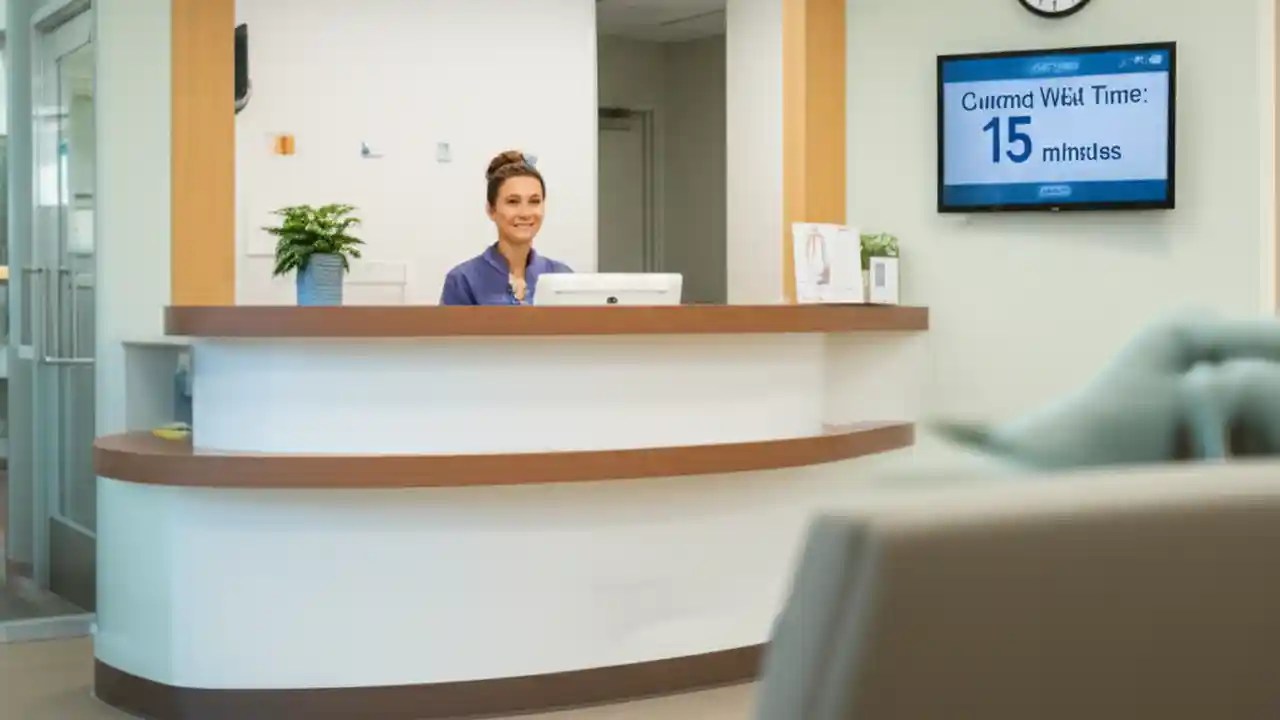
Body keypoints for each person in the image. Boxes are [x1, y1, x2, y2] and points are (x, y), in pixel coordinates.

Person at [439, 150, 572, 305]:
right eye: (513, 202)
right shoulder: (463, 280)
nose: (525, 213)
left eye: (534, 201)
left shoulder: (562, 277)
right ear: (491, 210)